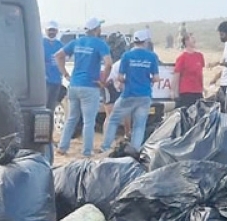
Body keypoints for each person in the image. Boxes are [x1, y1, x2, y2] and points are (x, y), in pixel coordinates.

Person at [54, 18, 112, 157]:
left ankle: (62, 147)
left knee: (71, 118)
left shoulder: (76, 42)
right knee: (89, 121)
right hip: (90, 86)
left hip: (74, 84)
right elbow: (108, 64)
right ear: (97, 29)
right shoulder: (100, 44)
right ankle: (86, 151)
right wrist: (103, 80)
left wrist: (65, 74)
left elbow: (58, 55)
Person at [101, 29, 161, 152]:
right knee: (139, 125)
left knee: (113, 119)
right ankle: (134, 151)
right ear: (146, 42)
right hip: (145, 95)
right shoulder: (152, 57)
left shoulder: (126, 56)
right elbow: (156, 78)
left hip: (128, 93)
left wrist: (128, 81)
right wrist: (146, 81)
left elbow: (120, 77)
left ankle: (106, 147)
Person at [171, 32, 205, 111]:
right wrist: (173, 91)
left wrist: (203, 87)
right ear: (186, 41)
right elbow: (176, 75)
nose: (194, 40)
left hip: (198, 91)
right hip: (187, 91)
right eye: (192, 38)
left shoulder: (199, 56)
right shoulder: (182, 57)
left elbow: (200, 73)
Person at [208, 21, 227, 110]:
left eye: (222, 34)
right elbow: (226, 67)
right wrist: (216, 78)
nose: (220, 37)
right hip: (224, 83)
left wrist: (218, 63)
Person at [42, 21, 65, 112]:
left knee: (52, 105)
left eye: (53, 30)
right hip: (45, 81)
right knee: (45, 104)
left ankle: (50, 125)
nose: (51, 32)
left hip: (56, 80)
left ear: (57, 31)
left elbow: (64, 59)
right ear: (46, 31)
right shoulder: (41, 43)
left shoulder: (60, 45)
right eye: (50, 30)